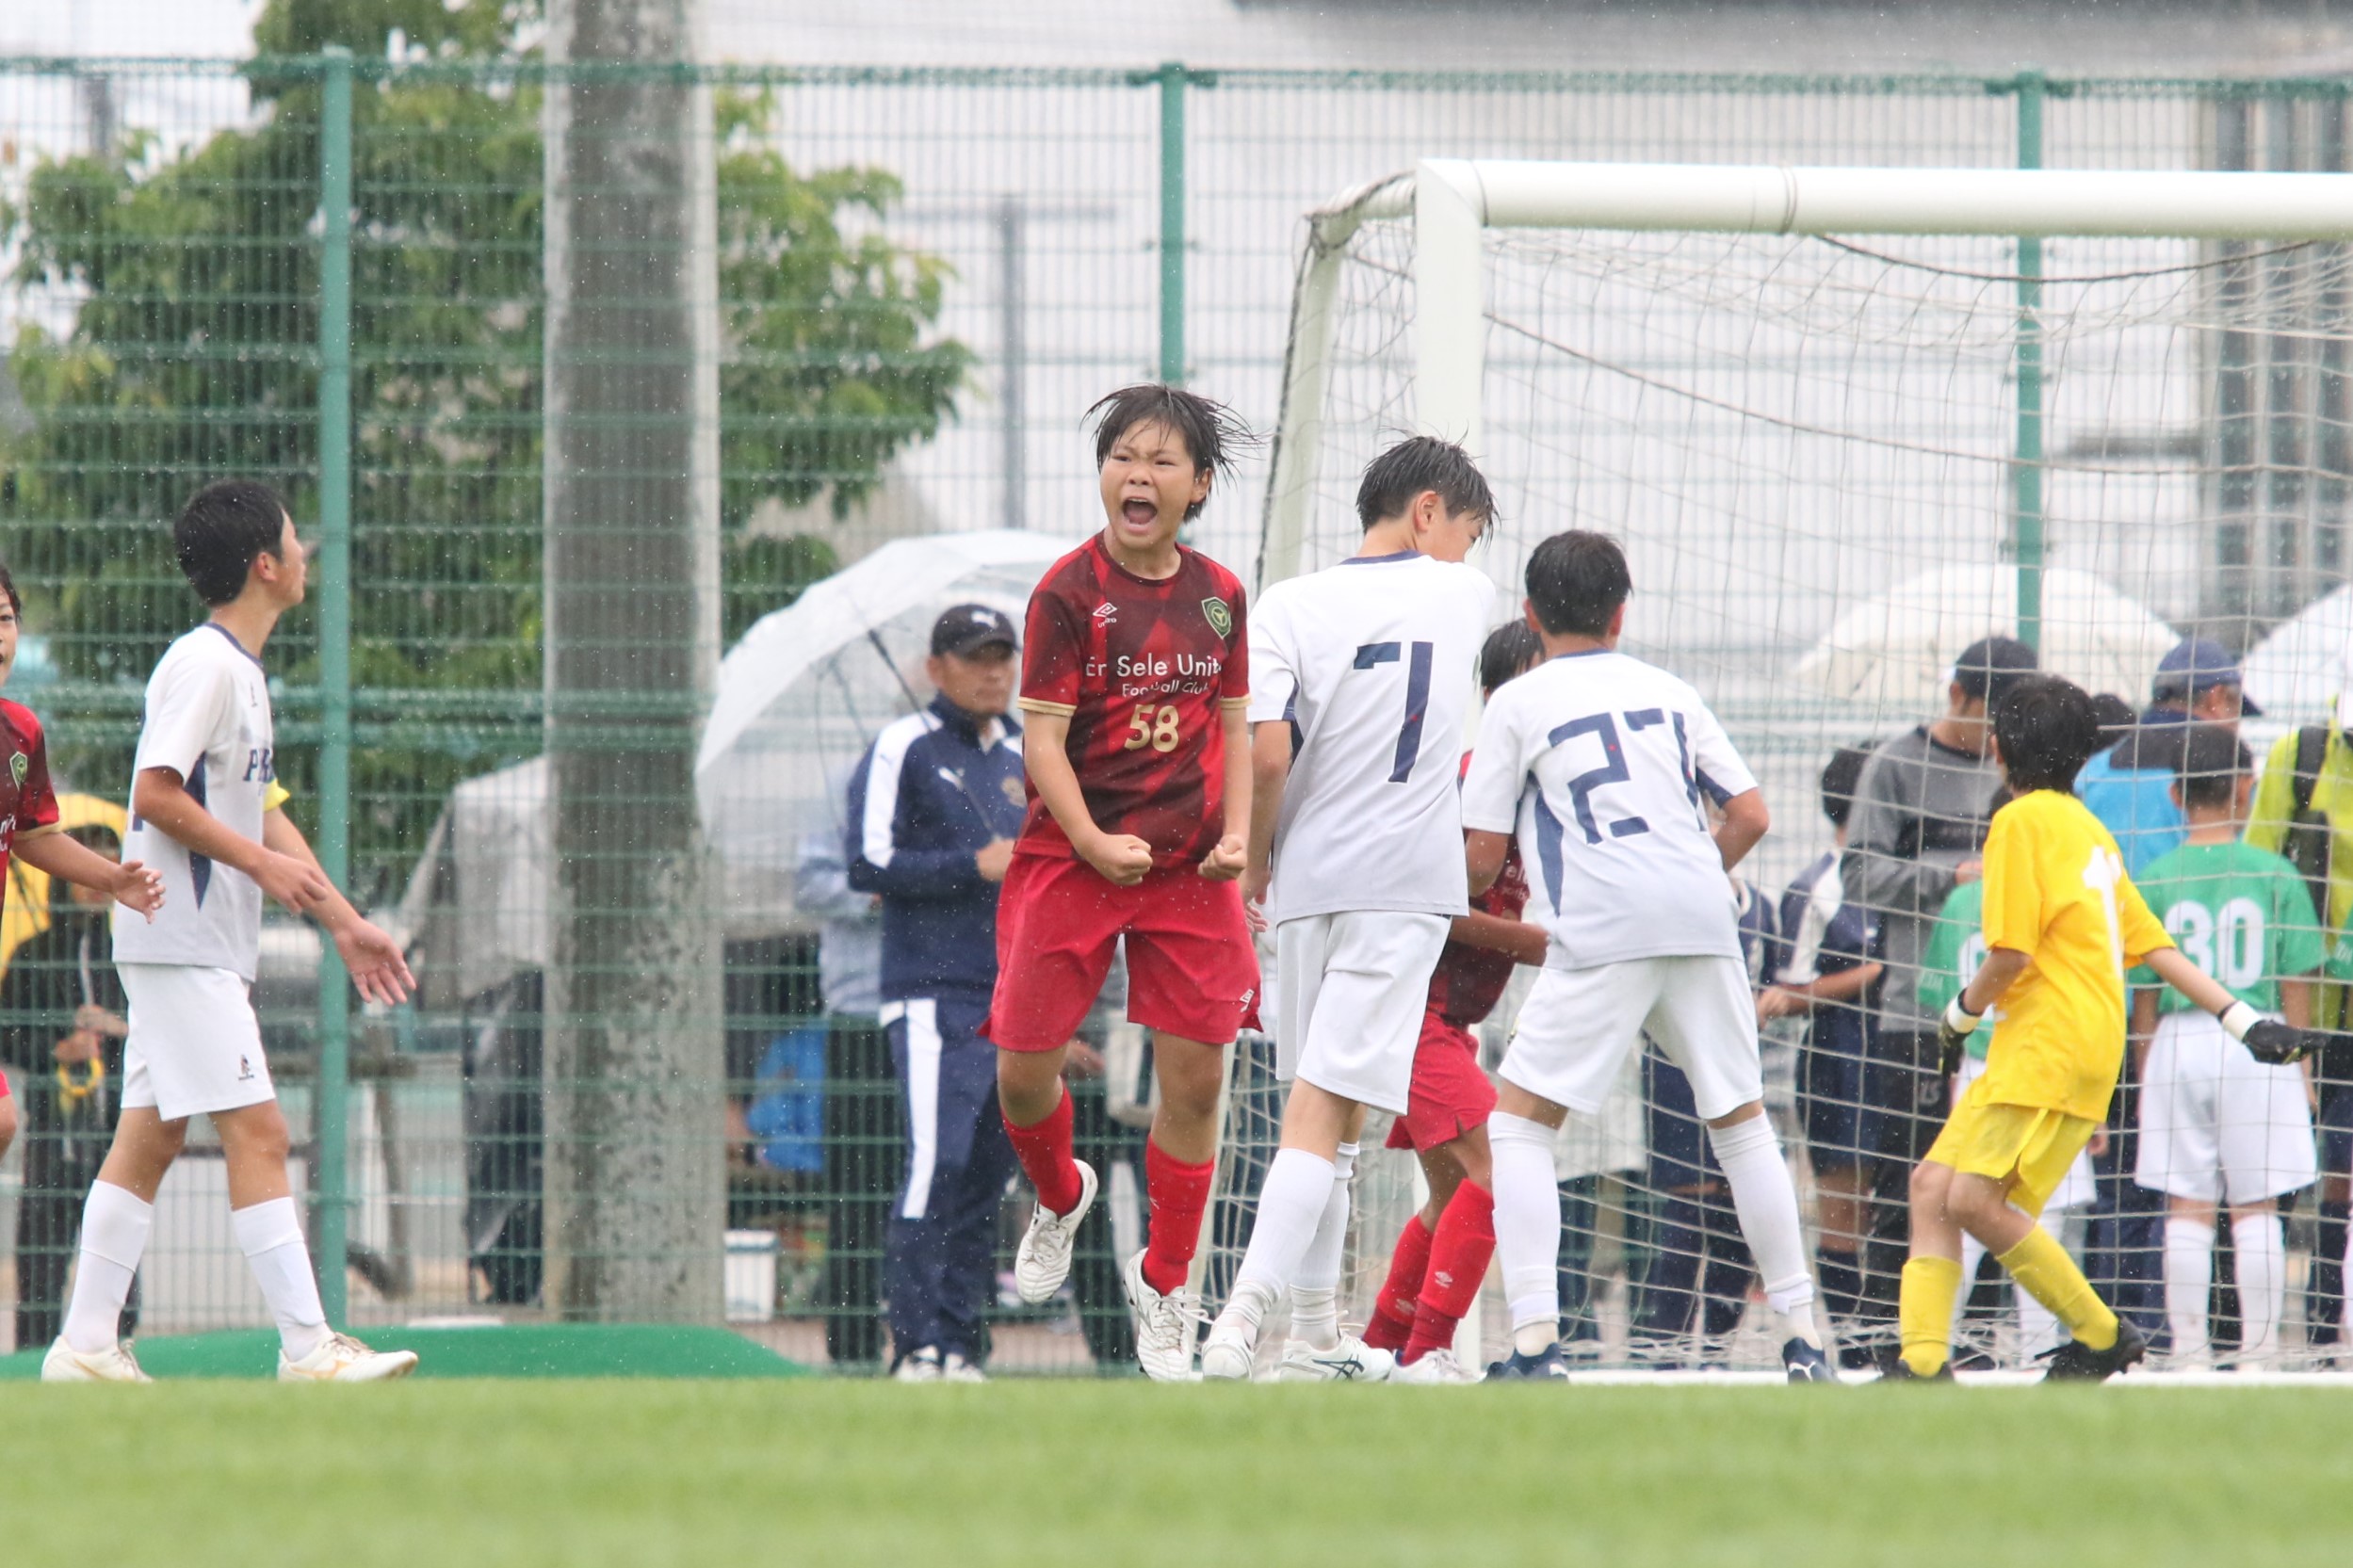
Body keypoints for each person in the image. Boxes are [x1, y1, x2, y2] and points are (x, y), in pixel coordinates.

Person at [44, 480, 416, 1382]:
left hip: (191, 947)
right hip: (179, 945)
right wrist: (257, 866)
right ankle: (307, 1348)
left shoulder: (244, 673)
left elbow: (265, 811)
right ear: (265, 564)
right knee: (262, 1132)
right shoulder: (206, 665)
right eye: (296, 539)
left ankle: (85, 1346)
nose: (305, 555)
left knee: (151, 1136)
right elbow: (155, 793)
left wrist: (346, 922)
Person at [1458, 529, 1830, 1382]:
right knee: (1741, 1123)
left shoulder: (1518, 701)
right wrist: (1688, 877)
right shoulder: (1670, 690)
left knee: (1518, 1126)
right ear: (1623, 612)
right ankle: (1803, 1337)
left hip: (1600, 927)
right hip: (1704, 917)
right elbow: (1750, 815)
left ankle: (1534, 1343)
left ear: (1529, 613)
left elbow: (1480, 861)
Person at [1891, 675, 2325, 1382]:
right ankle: (1922, 1360)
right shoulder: (2089, 830)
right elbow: (2154, 946)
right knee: (1931, 1183)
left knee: (1971, 1198)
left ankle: (2099, 1333)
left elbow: (2010, 952)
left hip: (2044, 1045)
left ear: (1997, 748)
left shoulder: (2018, 823)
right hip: (2083, 1044)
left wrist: (1958, 1014)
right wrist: (2245, 1020)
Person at [1200, 434, 1497, 1384]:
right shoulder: (1465, 596)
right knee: (1325, 1116)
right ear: (1424, 512)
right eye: (1466, 529)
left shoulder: (1284, 604)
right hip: (1399, 885)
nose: (1468, 551)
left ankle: (1319, 1338)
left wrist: (1253, 867)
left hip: (1302, 885)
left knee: (1319, 1115)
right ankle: (1239, 1322)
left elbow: (1268, 755)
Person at [987, 384, 1260, 1383]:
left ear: (1197, 486)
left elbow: (1233, 726)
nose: (1136, 476)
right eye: (1121, 458)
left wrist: (1235, 835)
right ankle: (1060, 1198)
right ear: (1102, 473)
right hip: (1072, 856)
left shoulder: (1221, 593)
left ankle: (1167, 1285)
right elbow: (1042, 744)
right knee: (1022, 1075)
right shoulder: (1064, 592)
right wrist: (1094, 841)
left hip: (1186, 871)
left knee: (1197, 1083)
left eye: (1159, 462)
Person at [1359, 619, 1547, 1383]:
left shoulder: (1544, 794)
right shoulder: (1465, 783)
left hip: (1446, 1023)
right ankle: (1430, 1350)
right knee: (1500, 1172)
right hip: (1408, 1013)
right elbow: (1418, 903)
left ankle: (1377, 1353)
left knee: (1449, 1194)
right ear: (1497, 697)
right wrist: (1526, 940)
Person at [846, 603, 1028, 1382]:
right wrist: (969, 864)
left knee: (990, 1172)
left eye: (1003, 656)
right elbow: (866, 861)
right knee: (938, 1162)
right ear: (936, 667)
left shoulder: (1027, 748)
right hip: (930, 994)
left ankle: (959, 1342)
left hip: (1012, 998)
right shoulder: (902, 746)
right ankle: (914, 1343)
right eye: (974, 656)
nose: (994, 671)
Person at [1842, 634, 2035, 1350]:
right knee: (1908, 1189)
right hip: (1916, 1018)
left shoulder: (2017, 777)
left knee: (1992, 1193)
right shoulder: (1895, 765)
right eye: (1991, 722)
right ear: (1957, 697)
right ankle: (1890, 1345)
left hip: (2003, 1023)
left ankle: (1978, 1342)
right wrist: (1947, 879)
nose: (1997, 741)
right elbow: (1858, 873)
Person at [2076, 640, 2259, 1336]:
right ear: (2215, 700)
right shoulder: (2214, 765)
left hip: (2102, 995)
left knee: (2122, 1181)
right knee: (2222, 1193)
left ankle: (2111, 1325)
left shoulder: (2097, 769)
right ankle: (2201, 1332)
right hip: (2193, 998)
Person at [2128, 724, 2322, 1366]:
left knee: (2186, 1202)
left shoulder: (2155, 875)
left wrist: (2144, 1069)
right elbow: (2298, 974)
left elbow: (2144, 993)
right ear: (2245, 790)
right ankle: (2260, 1353)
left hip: (2180, 1042)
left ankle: (2188, 1352)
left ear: (2177, 795)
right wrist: (2304, 1069)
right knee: (2255, 1201)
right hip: (2259, 1037)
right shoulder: (2274, 872)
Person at [1914, 806, 2099, 1367]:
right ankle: (2049, 1352)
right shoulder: (2056, 898)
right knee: (2041, 1218)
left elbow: (1941, 1001)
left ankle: (1931, 1352)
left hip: (1981, 1069)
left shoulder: (1963, 901)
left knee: (1957, 1215)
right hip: (2043, 1071)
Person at [2245, 651, 2353, 1355]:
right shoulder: (2304, 753)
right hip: (2322, 1006)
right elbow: (2261, 864)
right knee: (2333, 1172)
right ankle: (2318, 1330)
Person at [1629, 855, 1777, 1365]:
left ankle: (1717, 1354)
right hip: (1674, 1073)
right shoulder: (1665, 899)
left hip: (1736, 1067)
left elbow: (1770, 986)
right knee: (1685, 1216)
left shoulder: (1763, 908)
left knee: (1735, 1219)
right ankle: (1662, 1353)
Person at [1766, 746, 1882, 1364]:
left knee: (1907, 1207)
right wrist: (1871, 974)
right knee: (1844, 1211)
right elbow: (1784, 992)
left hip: (1900, 1060)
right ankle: (1858, 1355)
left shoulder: (1903, 875)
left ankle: (1907, 1346)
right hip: (1838, 1063)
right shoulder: (1816, 886)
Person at [5, 822, 138, 1352]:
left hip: (118, 1134)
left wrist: (118, 1030)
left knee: (120, 1255)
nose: (95, 880)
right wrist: (55, 1048)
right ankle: (35, 1358)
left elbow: (157, 1028)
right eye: (87, 862)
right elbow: (8, 1032)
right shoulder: (34, 955)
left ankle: (116, 1352)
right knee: (42, 1257)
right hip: (52, 1133)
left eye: (108, 863)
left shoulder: (129, 952)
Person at [794, 769, 892, 1368]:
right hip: (860, 1014)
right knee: (858, 1187)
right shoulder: (840, 794)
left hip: (945, 1008)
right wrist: (877, 892)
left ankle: (942, 1336)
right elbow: (808, 884)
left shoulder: (970, 787)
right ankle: (853, 1342)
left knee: (943, 1185)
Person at [2076, 639, 2257, 879]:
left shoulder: (2093, 773)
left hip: (2108, 912)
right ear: (2218, 699)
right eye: (2237, 712)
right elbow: (2251, 864)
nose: (2236, 727)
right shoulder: (2225, 775)